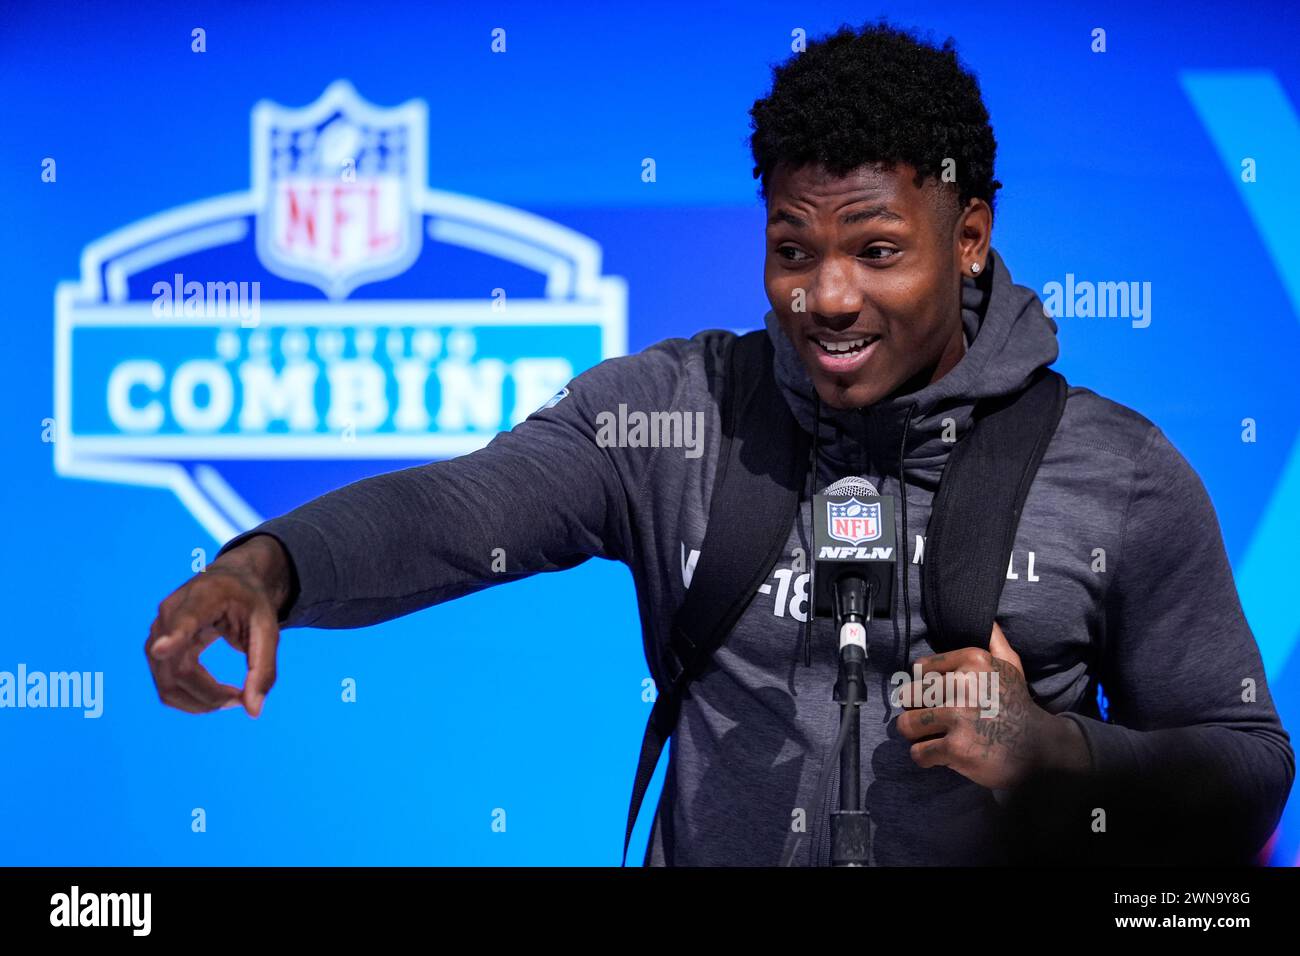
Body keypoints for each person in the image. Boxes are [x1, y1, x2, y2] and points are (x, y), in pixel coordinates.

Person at [144, 20, 1293, 866]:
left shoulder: (1117, 470)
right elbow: (463, 511)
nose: (826, 297)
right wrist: (268, 567)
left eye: (877, 250)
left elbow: (1247, 772)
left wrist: (1054, 754)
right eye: (793, 250)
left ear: (973, 237)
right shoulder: (671, 414)